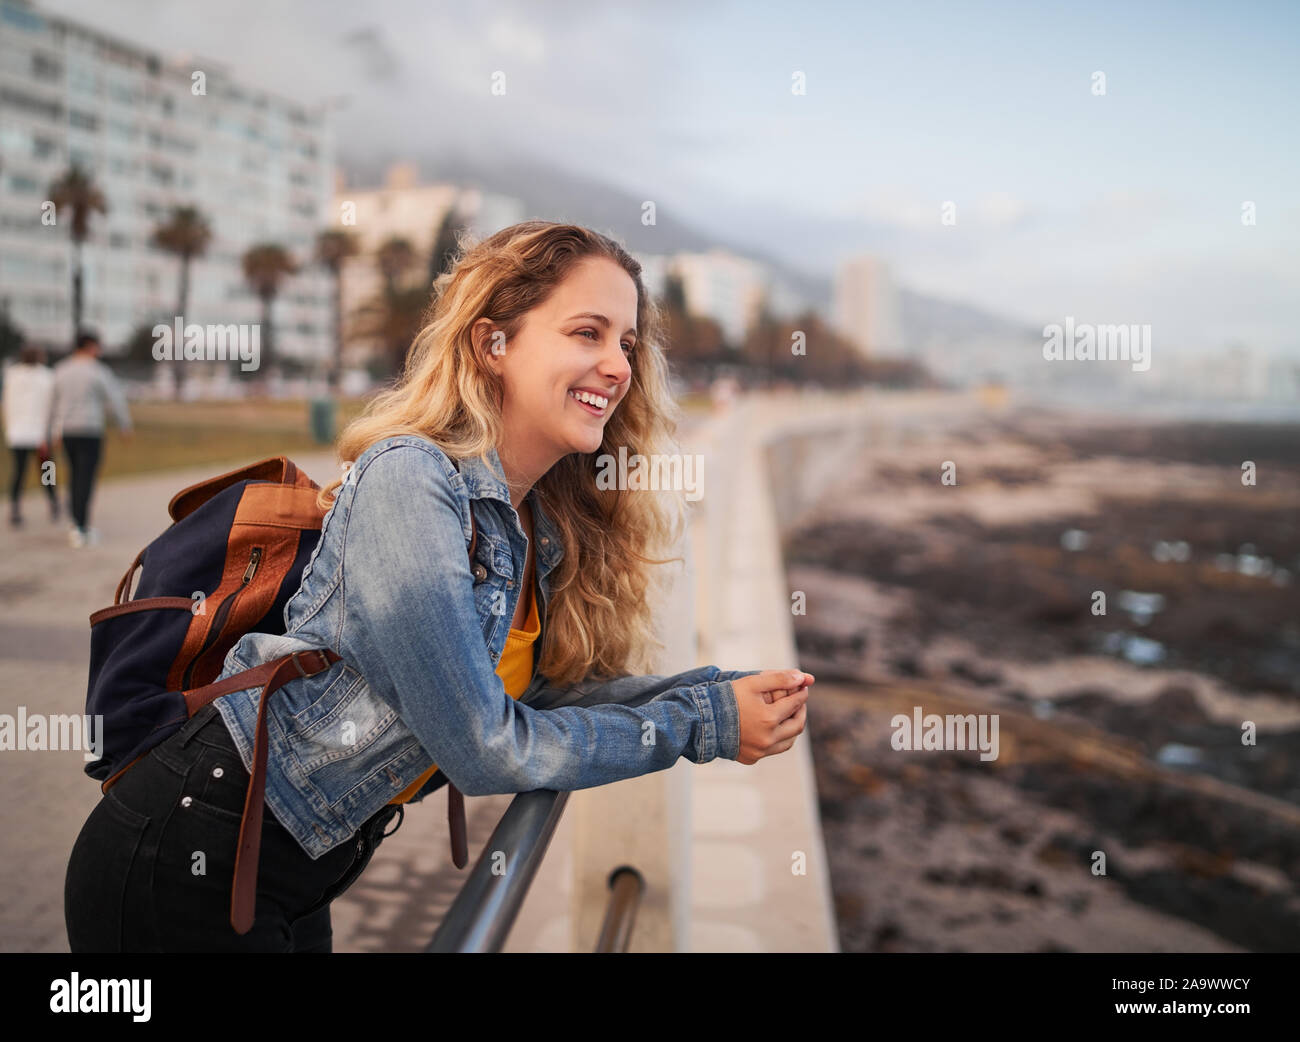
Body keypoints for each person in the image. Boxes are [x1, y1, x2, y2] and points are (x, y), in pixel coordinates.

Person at [64, 221, 814, 953]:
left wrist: (717, 690)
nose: (619, 365)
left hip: (289, 873)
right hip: (183, 859)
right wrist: (703, 725)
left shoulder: (532, 522)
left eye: (625, 341)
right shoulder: (411, 480)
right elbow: (486, 746)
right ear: (494, 343)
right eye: (587, 333)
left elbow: (529, 703)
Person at [48, 329, 134, 548]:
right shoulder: (97, 371)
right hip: (90, 431)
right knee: (86, 479)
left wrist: (53, 431)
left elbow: (53, 403)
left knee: (74, 476)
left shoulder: (60, 370)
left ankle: (75, 522)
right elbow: (115, 399)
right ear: (90, 346)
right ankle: (81, 528)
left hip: (68, 432)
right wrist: (124, 425)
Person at [3, 344, 60, 527]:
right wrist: (52, 432)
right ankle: (53, 503)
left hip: (17, 432)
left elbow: (7, 404)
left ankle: (15, 508)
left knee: (19, 472)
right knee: (47, 471)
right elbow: (51, 408)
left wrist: (8, 429)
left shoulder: (12, 375)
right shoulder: (47, 376)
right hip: (39, 434)